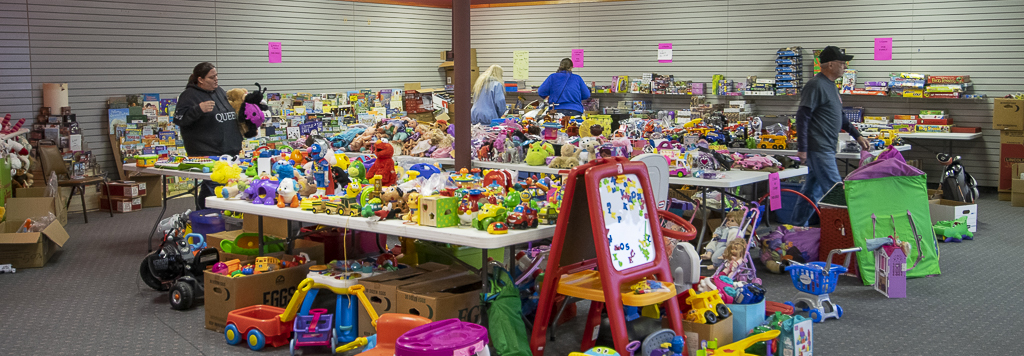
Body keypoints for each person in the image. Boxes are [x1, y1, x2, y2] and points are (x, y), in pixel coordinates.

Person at [790, 46, 869, 226]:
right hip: (818, 147)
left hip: (826, 147)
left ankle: (795, 228)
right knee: (836, 190)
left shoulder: (831, 86)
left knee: (812, 191)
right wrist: (802, 148)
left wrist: (857, 136)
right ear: (831, 65)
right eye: (842, 63)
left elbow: (840, 116)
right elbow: (802, 116)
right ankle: (849, 232)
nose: (845, 67)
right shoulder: (815, 85)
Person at [174, 62, 243, 209]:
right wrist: (198, 109)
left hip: (229, 151)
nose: (216, 79)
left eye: (216, 76)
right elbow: (179, 119)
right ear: (200, 79)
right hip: (208, 152)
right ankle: (208, 217)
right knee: (216, 189)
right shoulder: (189, 95)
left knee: (218, 188)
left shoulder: (219, 91)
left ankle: (202, 215)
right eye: (212, 77)